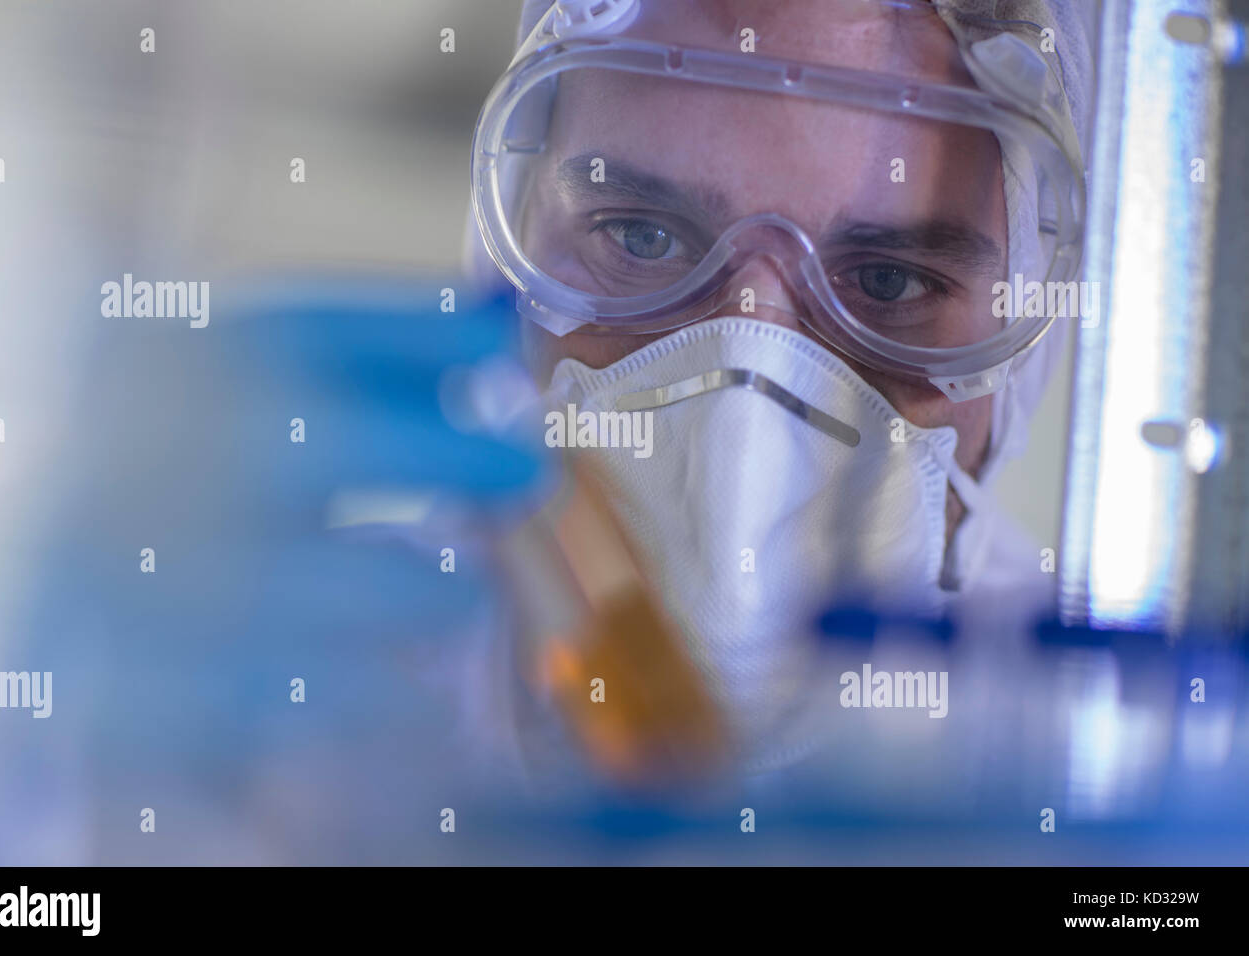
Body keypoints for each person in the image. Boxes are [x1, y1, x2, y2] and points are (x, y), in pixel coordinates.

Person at [465, 0, 1093, 775]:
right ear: (512, 238)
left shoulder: (1110, 755)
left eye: (888, 283)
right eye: (642, 238)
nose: (743, 442)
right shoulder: (334, 687)